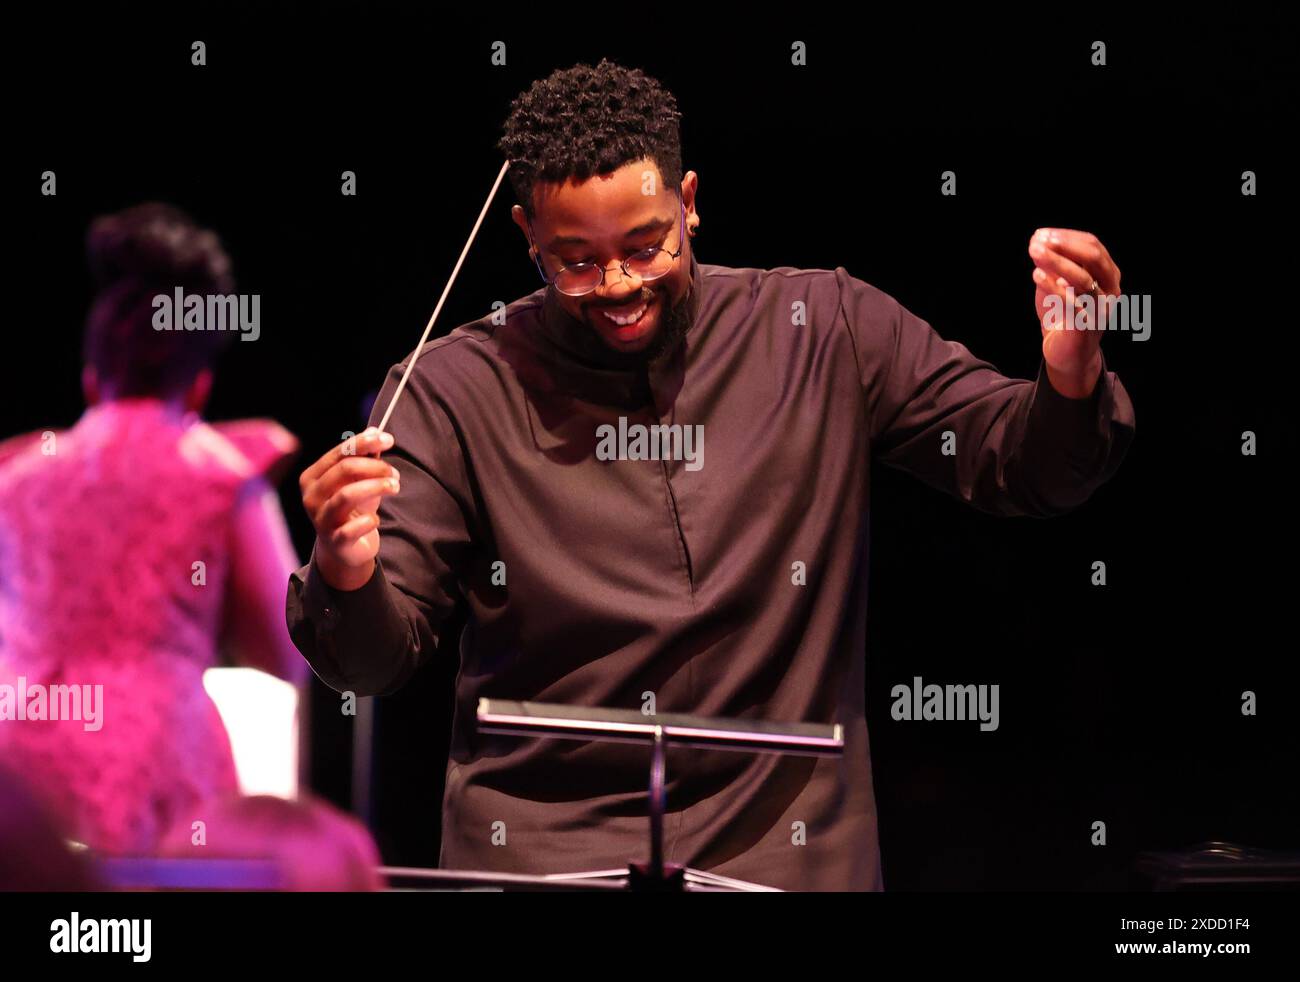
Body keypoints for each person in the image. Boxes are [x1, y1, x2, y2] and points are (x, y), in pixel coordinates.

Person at [286, 60, 1136, 890]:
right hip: (543, 854)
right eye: (575, 261)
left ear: (688, 204)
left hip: (787, 853)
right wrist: (345, 569)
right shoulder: (452, 387)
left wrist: (1071, 371)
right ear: (526, 237)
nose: (617, 285)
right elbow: (370, 664)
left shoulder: (821, 328)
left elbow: (1027, 469)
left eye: (646, 246)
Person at [0, 202, 307, 856]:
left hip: (21, 774)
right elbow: (283, 654)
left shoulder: (16, 479)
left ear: (91, 378)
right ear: (198, 386)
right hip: (158, 762)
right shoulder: (220, 473)